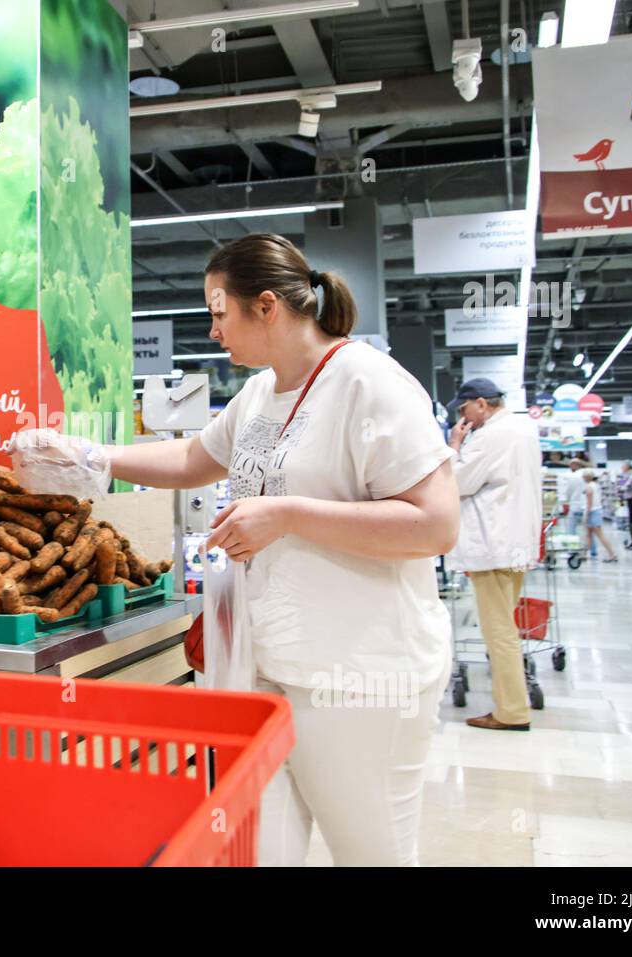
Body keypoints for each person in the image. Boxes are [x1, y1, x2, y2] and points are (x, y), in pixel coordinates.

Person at [90, 234, 460, 866]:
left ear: (266, 306)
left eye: (217, 312)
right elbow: (190, 458)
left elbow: (434, 524)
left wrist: (287, 515)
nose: (211, 331)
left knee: (371, 855)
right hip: (268, 669)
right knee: (258, 851)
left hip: (359, 676)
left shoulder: (367, 383)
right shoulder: (258, 394)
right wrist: (88, 460)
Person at [445, 378, 543, 732]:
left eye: (464, 408)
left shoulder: (489, 437)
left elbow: (457, 482)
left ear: (482, 404)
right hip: (515, 541)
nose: (463, 415)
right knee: (506, 625)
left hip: (493, 543)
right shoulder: (524, 428)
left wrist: (455, 445)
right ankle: (513, 703)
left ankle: (512, 711)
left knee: (498, 629)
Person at [558, 456, 596, 558]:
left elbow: (567, 492)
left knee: (571, 530)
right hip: (586, 507)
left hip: (575, 506)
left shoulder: (571, 477)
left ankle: (572, 550)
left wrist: (564, 503)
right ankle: (593, 551)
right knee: (588, 531)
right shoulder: (587, 477)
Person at [583, 469, 618, 563]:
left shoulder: (588, 487)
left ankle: (612, 554)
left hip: (592, 512)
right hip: (597, 510)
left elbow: (589, 503)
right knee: (589, 534)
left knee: (599, 534)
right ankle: (585, 554)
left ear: (586, 477)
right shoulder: (596, 485)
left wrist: (586, 515)